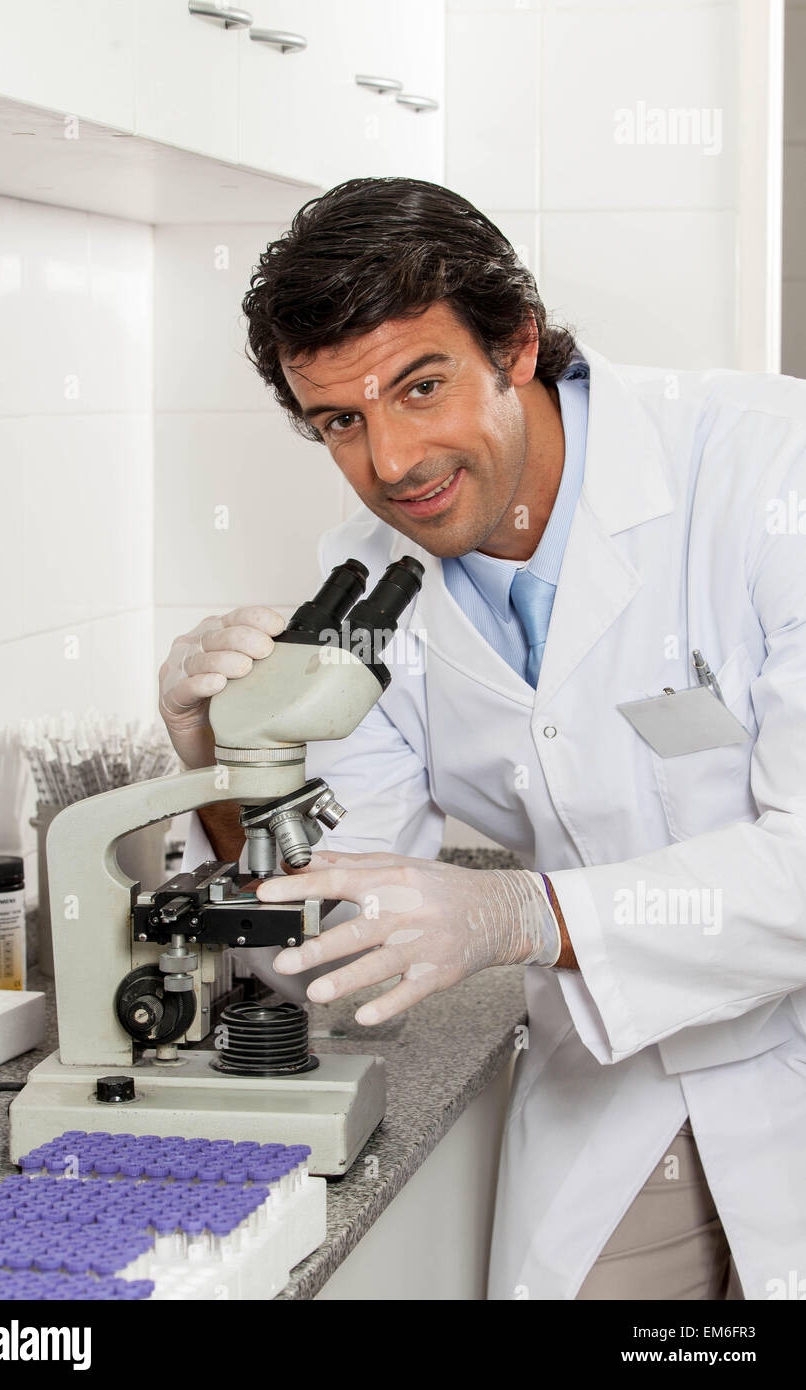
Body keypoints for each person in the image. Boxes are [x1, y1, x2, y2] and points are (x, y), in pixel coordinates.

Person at [158, 177, 806, 1301]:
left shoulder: (766, 468)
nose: (393, 461)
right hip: (614, 1080)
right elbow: (327, 948)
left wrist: (522, 911)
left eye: (420, 387)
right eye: (340, 423)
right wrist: (217, 755)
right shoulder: (363, 586)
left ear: (514, 345)